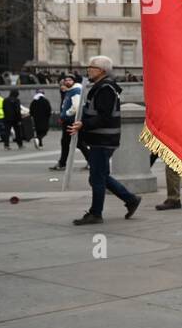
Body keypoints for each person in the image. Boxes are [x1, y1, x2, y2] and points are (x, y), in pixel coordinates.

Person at [69, 57, 140, 225]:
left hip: (103, 138)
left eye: (91, 67)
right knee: (101, 176)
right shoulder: (102, 87)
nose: (88, 70)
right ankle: (130, 199)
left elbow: (104, 116)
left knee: (97, 177)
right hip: (101, 138)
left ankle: (96, 213)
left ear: (101, 70)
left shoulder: (105, 88)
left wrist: (83, 123)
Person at [51, 74, 83, 171]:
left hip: (71, 121)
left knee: (70, 142)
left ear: (74, 81)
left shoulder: (75, 91)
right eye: (66, 80)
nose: (67, 82)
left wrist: (67, 113)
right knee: (74, 142)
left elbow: (76, 106)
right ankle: (62, 162)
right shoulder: (69, 91)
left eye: (70, 80)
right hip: (68, 120)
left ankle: (62, 163)